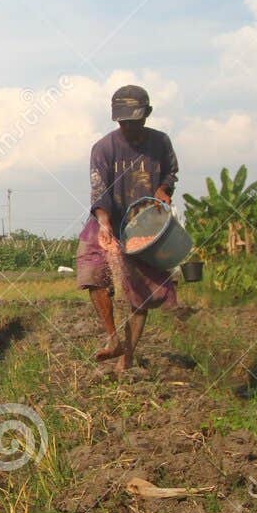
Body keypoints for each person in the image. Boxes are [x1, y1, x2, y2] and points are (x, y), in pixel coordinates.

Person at [77, 84, 179, 371]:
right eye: (124, 122)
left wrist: (163, 188)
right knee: (92, 271)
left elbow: (171, 171)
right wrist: (105, 224)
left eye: (135, 121)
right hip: (108, 217)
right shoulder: (104, 148)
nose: (130, 127)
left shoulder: (160, 143)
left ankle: (128, 357)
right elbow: (99, 191)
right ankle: (113, 339)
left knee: (142, 290)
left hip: (146, 223)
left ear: (146, 115)